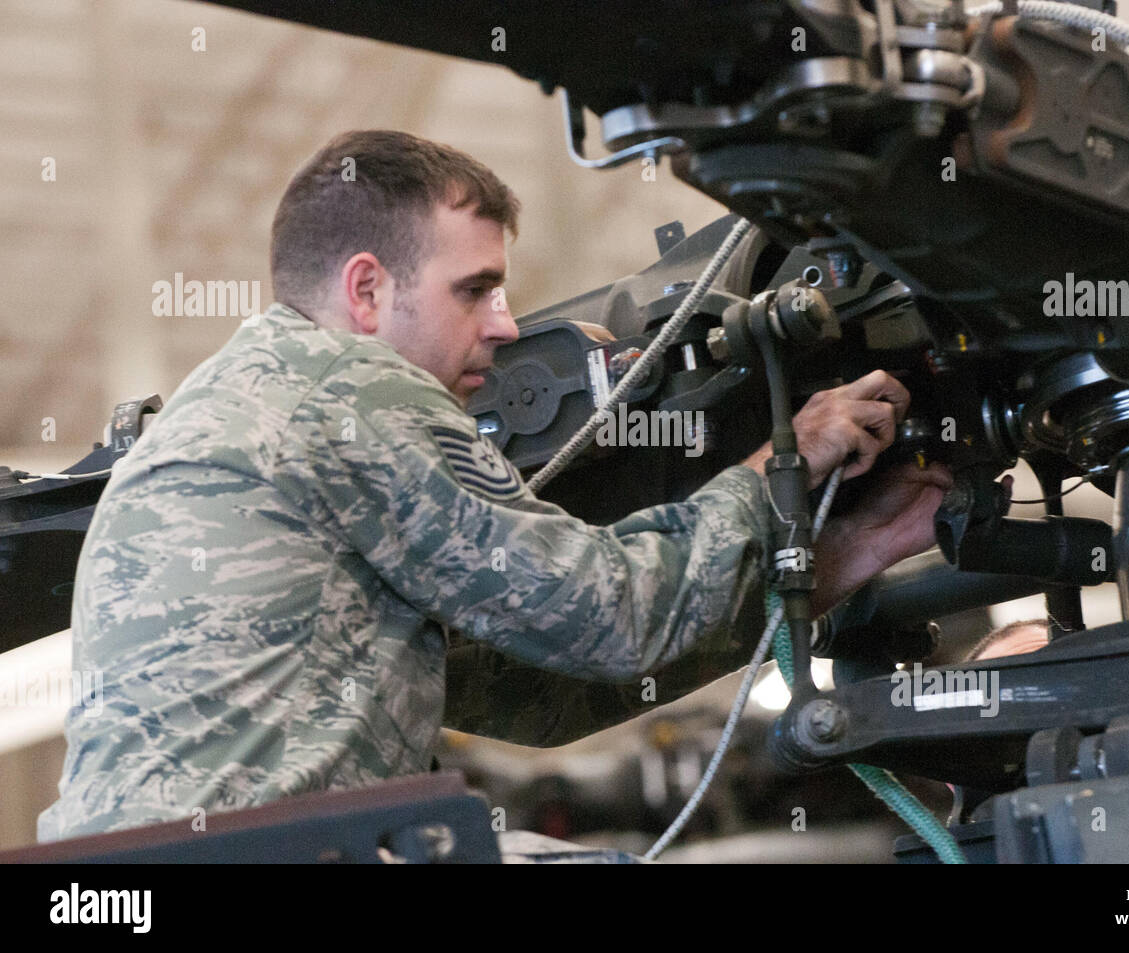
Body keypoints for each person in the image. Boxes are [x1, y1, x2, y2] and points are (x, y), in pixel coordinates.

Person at [37, 130, 952, 842]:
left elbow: (540, 690)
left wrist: (838, 560)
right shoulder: (352, 391)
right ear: (366, 291)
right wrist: (775, 465)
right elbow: (609, 612)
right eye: (475, 290)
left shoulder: (242, 408)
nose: (507, 326)